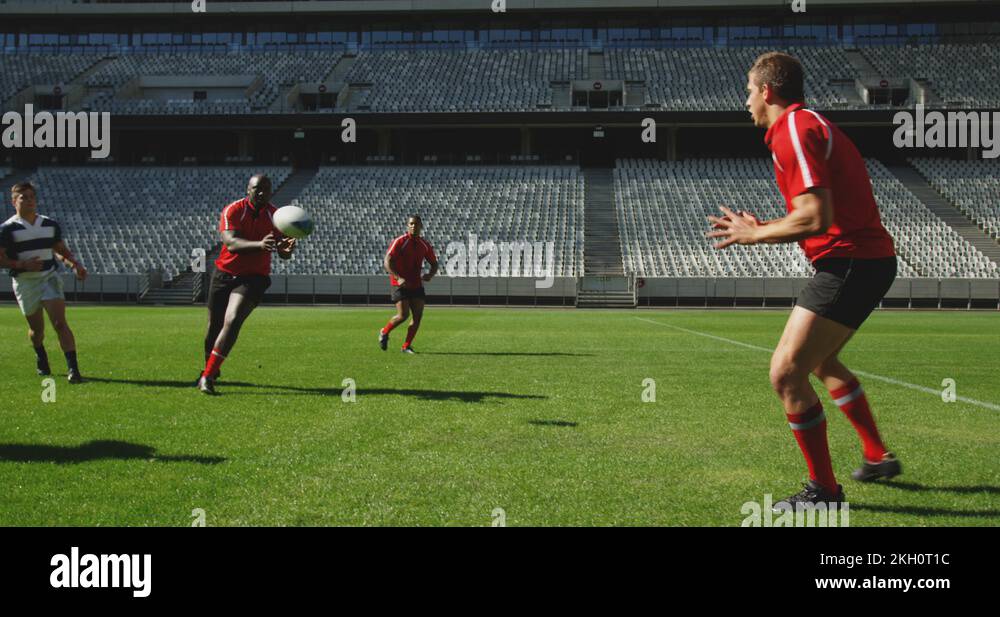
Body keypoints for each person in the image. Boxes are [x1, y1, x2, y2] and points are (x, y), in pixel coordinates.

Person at [707, 52, 901, 511]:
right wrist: (766, 226)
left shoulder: (793, 129)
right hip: (861, 260)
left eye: (749, 91)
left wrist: (755, 233)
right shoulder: (805, 126)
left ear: (767, 91)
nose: (747, 101)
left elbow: (816, 217)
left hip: (850, 262)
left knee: (786, 372)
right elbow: (815, 215)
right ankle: (876, 456)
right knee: (820, 363)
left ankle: (825, 492)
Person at [198, 174, 295, 394]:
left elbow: (282, 250)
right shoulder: (233, 210)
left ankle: (207, 377)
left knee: (232, 320)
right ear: (248, 190)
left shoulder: (276, 216)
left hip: (254, 277)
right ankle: (209, 368)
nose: (261, 193)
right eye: (257, 188)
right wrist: (261, 244)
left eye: (266, 189)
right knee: (214, 326)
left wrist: (285, 250)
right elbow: (231, 243)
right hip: (225, 273)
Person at [0, 181, 88, 383]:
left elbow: (60, 250)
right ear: (14, 201)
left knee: (59, 323)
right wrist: (22, 264)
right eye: (24, 197)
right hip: (25, 283)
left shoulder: (49, 224)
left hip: (49, 278)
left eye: (32, 197)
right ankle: (40, 353)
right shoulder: (7, 229)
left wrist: (75, 265)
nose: (29, 200)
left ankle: (74, 370)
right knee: (37, 331)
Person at [379, 215, 437, 354]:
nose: (413, 226)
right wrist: (398, 277)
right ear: (407, 225)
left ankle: (406, 346)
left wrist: (430, 275)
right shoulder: (400, 241)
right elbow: (387, 261)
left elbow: (434, 264)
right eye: (411, 224)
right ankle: (384, 332)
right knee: (403, 315)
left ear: (421, 226)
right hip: (400, 284)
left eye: (416, 224)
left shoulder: (424, 245)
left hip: (416, 284)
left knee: (417, 317)